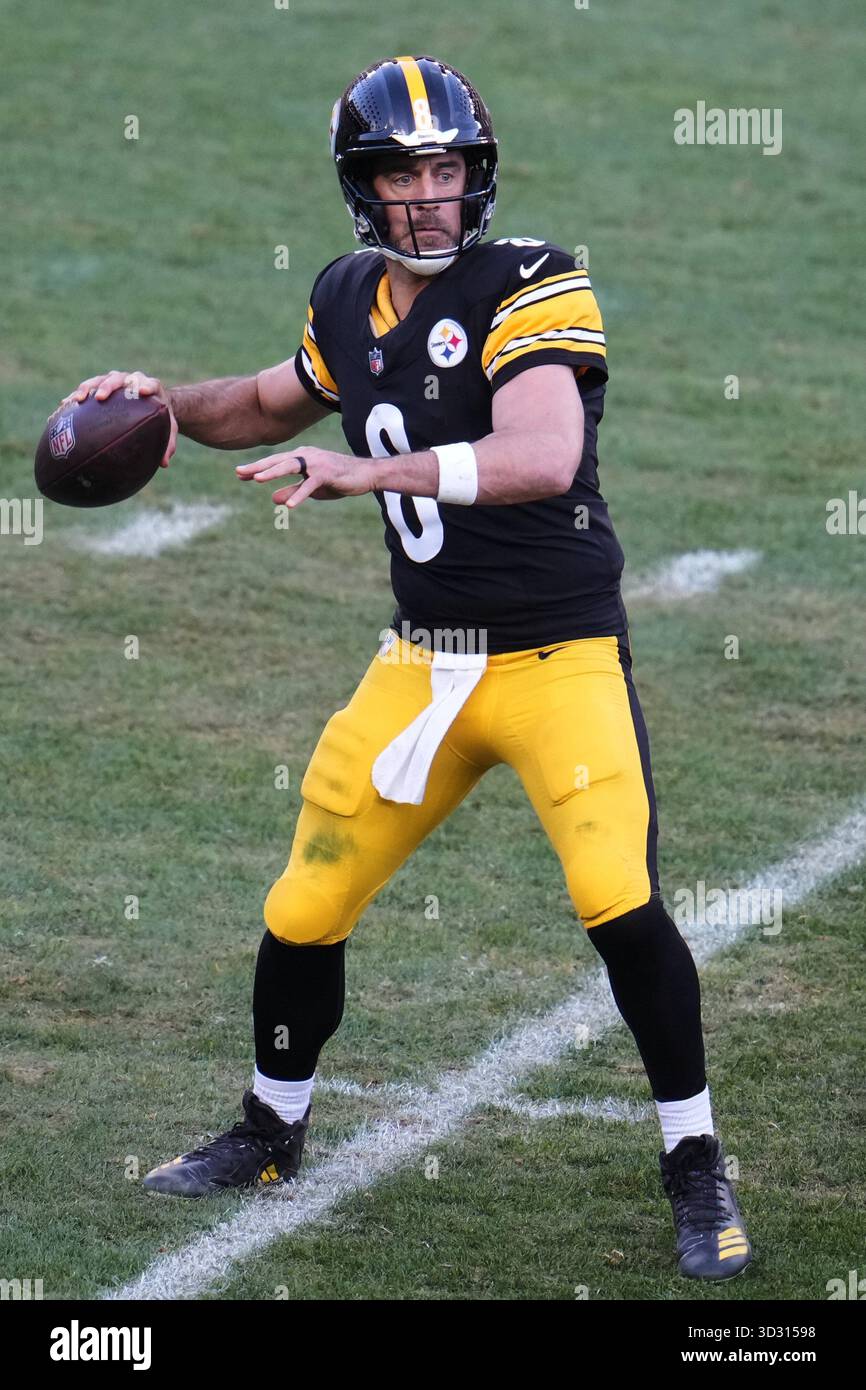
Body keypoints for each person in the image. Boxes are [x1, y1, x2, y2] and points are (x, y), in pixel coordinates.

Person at [64, 55, 751, 1281]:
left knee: (616, 899)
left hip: (557, 657)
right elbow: (273, 404)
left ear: (475, 175)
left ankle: (694, 1162)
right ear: (361, 189)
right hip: (422, 663)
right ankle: (271, 1129)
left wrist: (364, 473)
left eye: (445, 168)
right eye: (400, 173)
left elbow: (540, 453)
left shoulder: (531, 279)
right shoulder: (345, 295)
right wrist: (161, 402)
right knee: (303, 905)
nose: (427, 196)